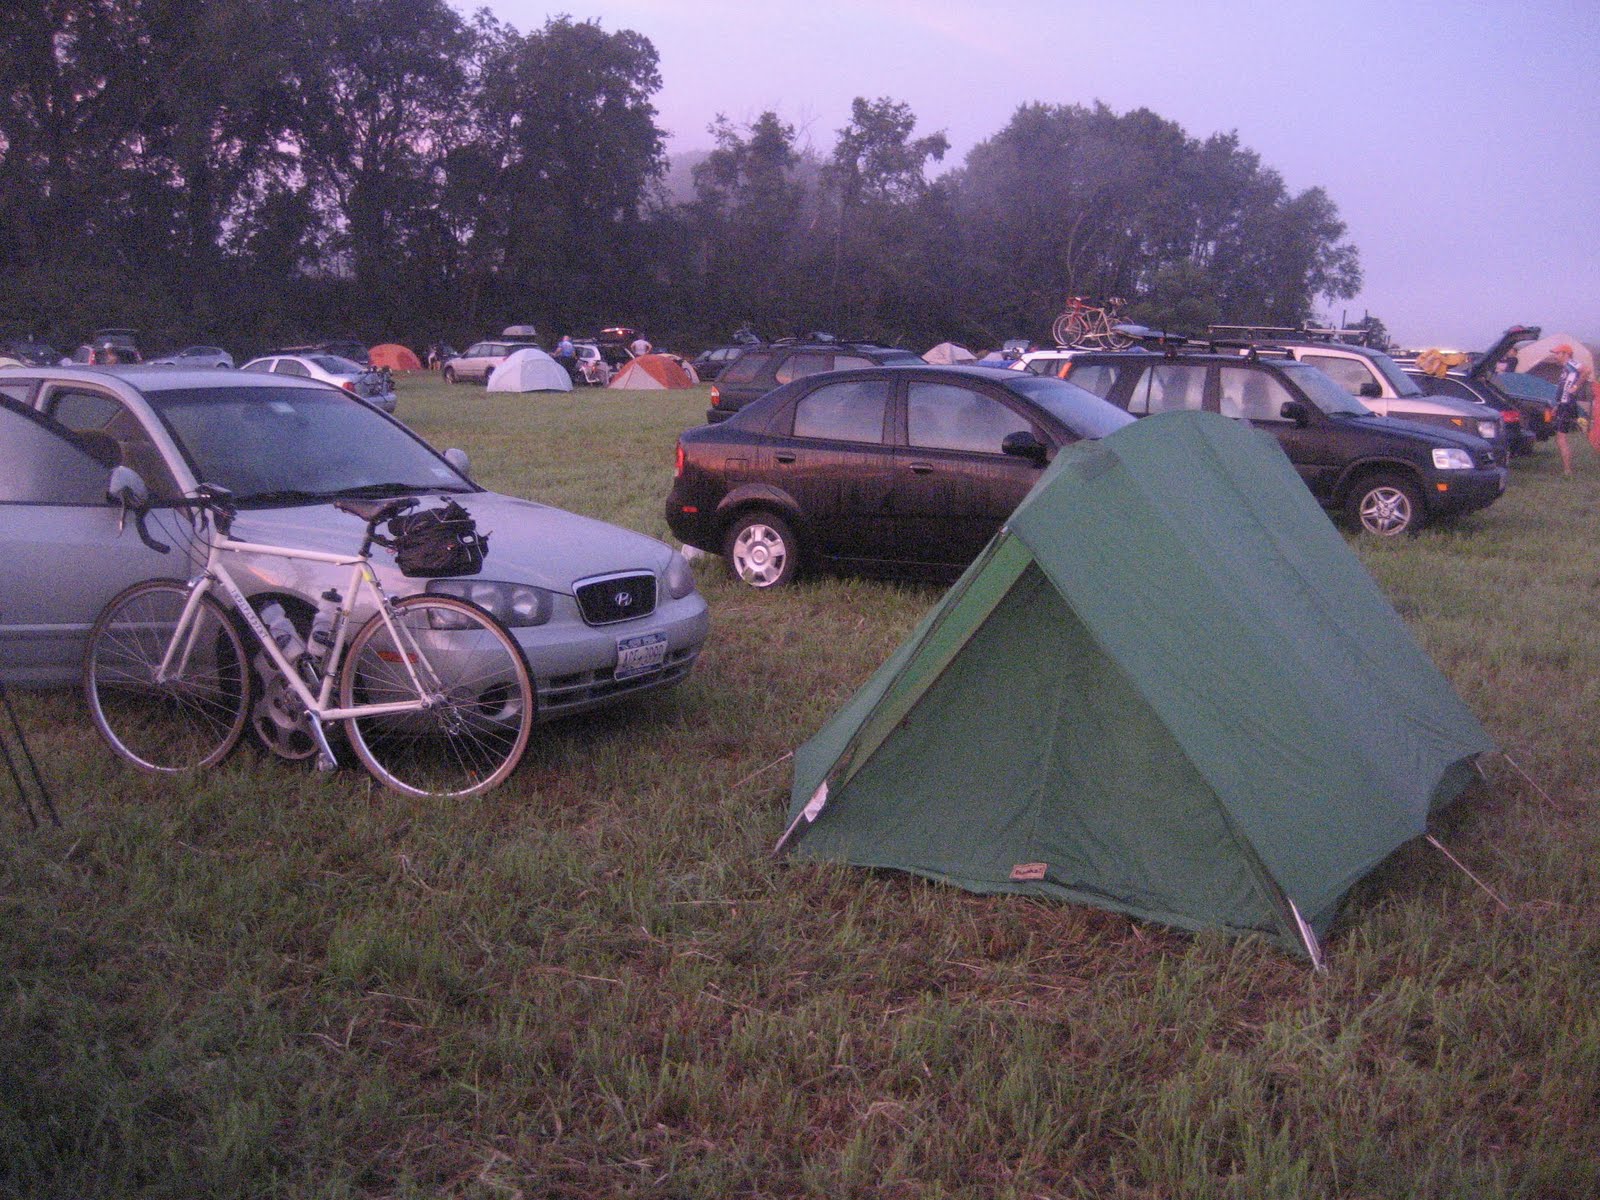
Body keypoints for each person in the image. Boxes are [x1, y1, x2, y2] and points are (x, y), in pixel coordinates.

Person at [1550, 343, 1590, 476]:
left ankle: (1567, 470)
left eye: (1557, 353)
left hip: (1567, 404)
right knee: (1560, 437)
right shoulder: (1565, 368)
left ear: (1565, 354)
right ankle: (1567, 469)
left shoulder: (1572, 363)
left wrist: (1576, 387)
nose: (1555, 356)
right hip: (1563, 404)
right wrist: (1557, 405)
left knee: (1561, 437)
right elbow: (1562, 387)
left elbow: (1587, 370)